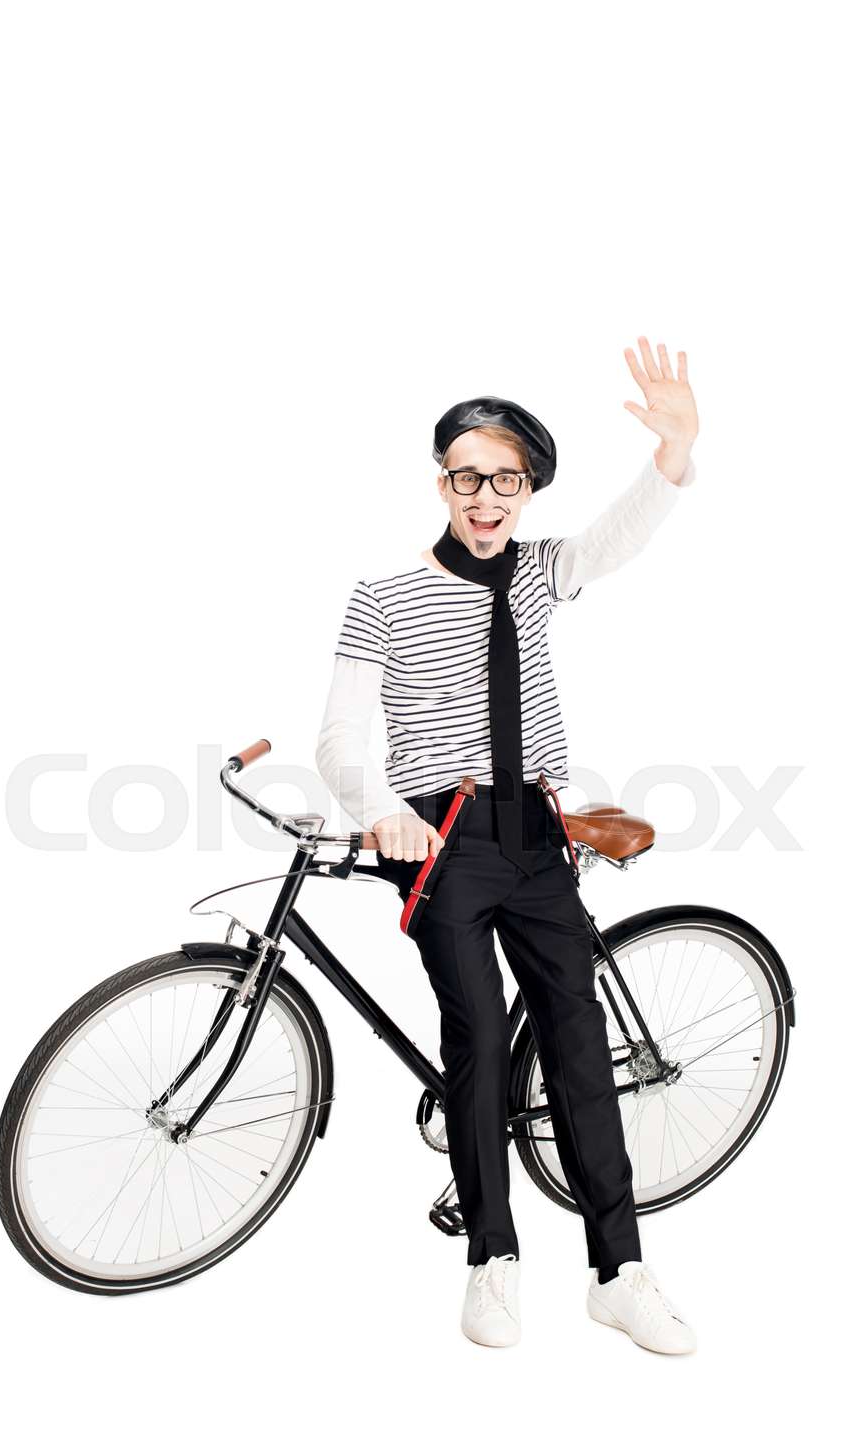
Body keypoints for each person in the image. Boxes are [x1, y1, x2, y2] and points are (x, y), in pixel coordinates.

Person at [315, 337, 699, 1352]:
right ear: (442, 480)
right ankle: (493, 1258)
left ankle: (620, 1270)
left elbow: (616, 539)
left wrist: (672, 453)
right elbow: (339, 738)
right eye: (469, 476)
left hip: (537, 830)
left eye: (508, 480)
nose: (487, 498)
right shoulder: (384, 596)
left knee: (577, 1040)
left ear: (527, 490)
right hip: (441, 836)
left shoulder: (537, 572)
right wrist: (379, 807)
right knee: (480, 1039)